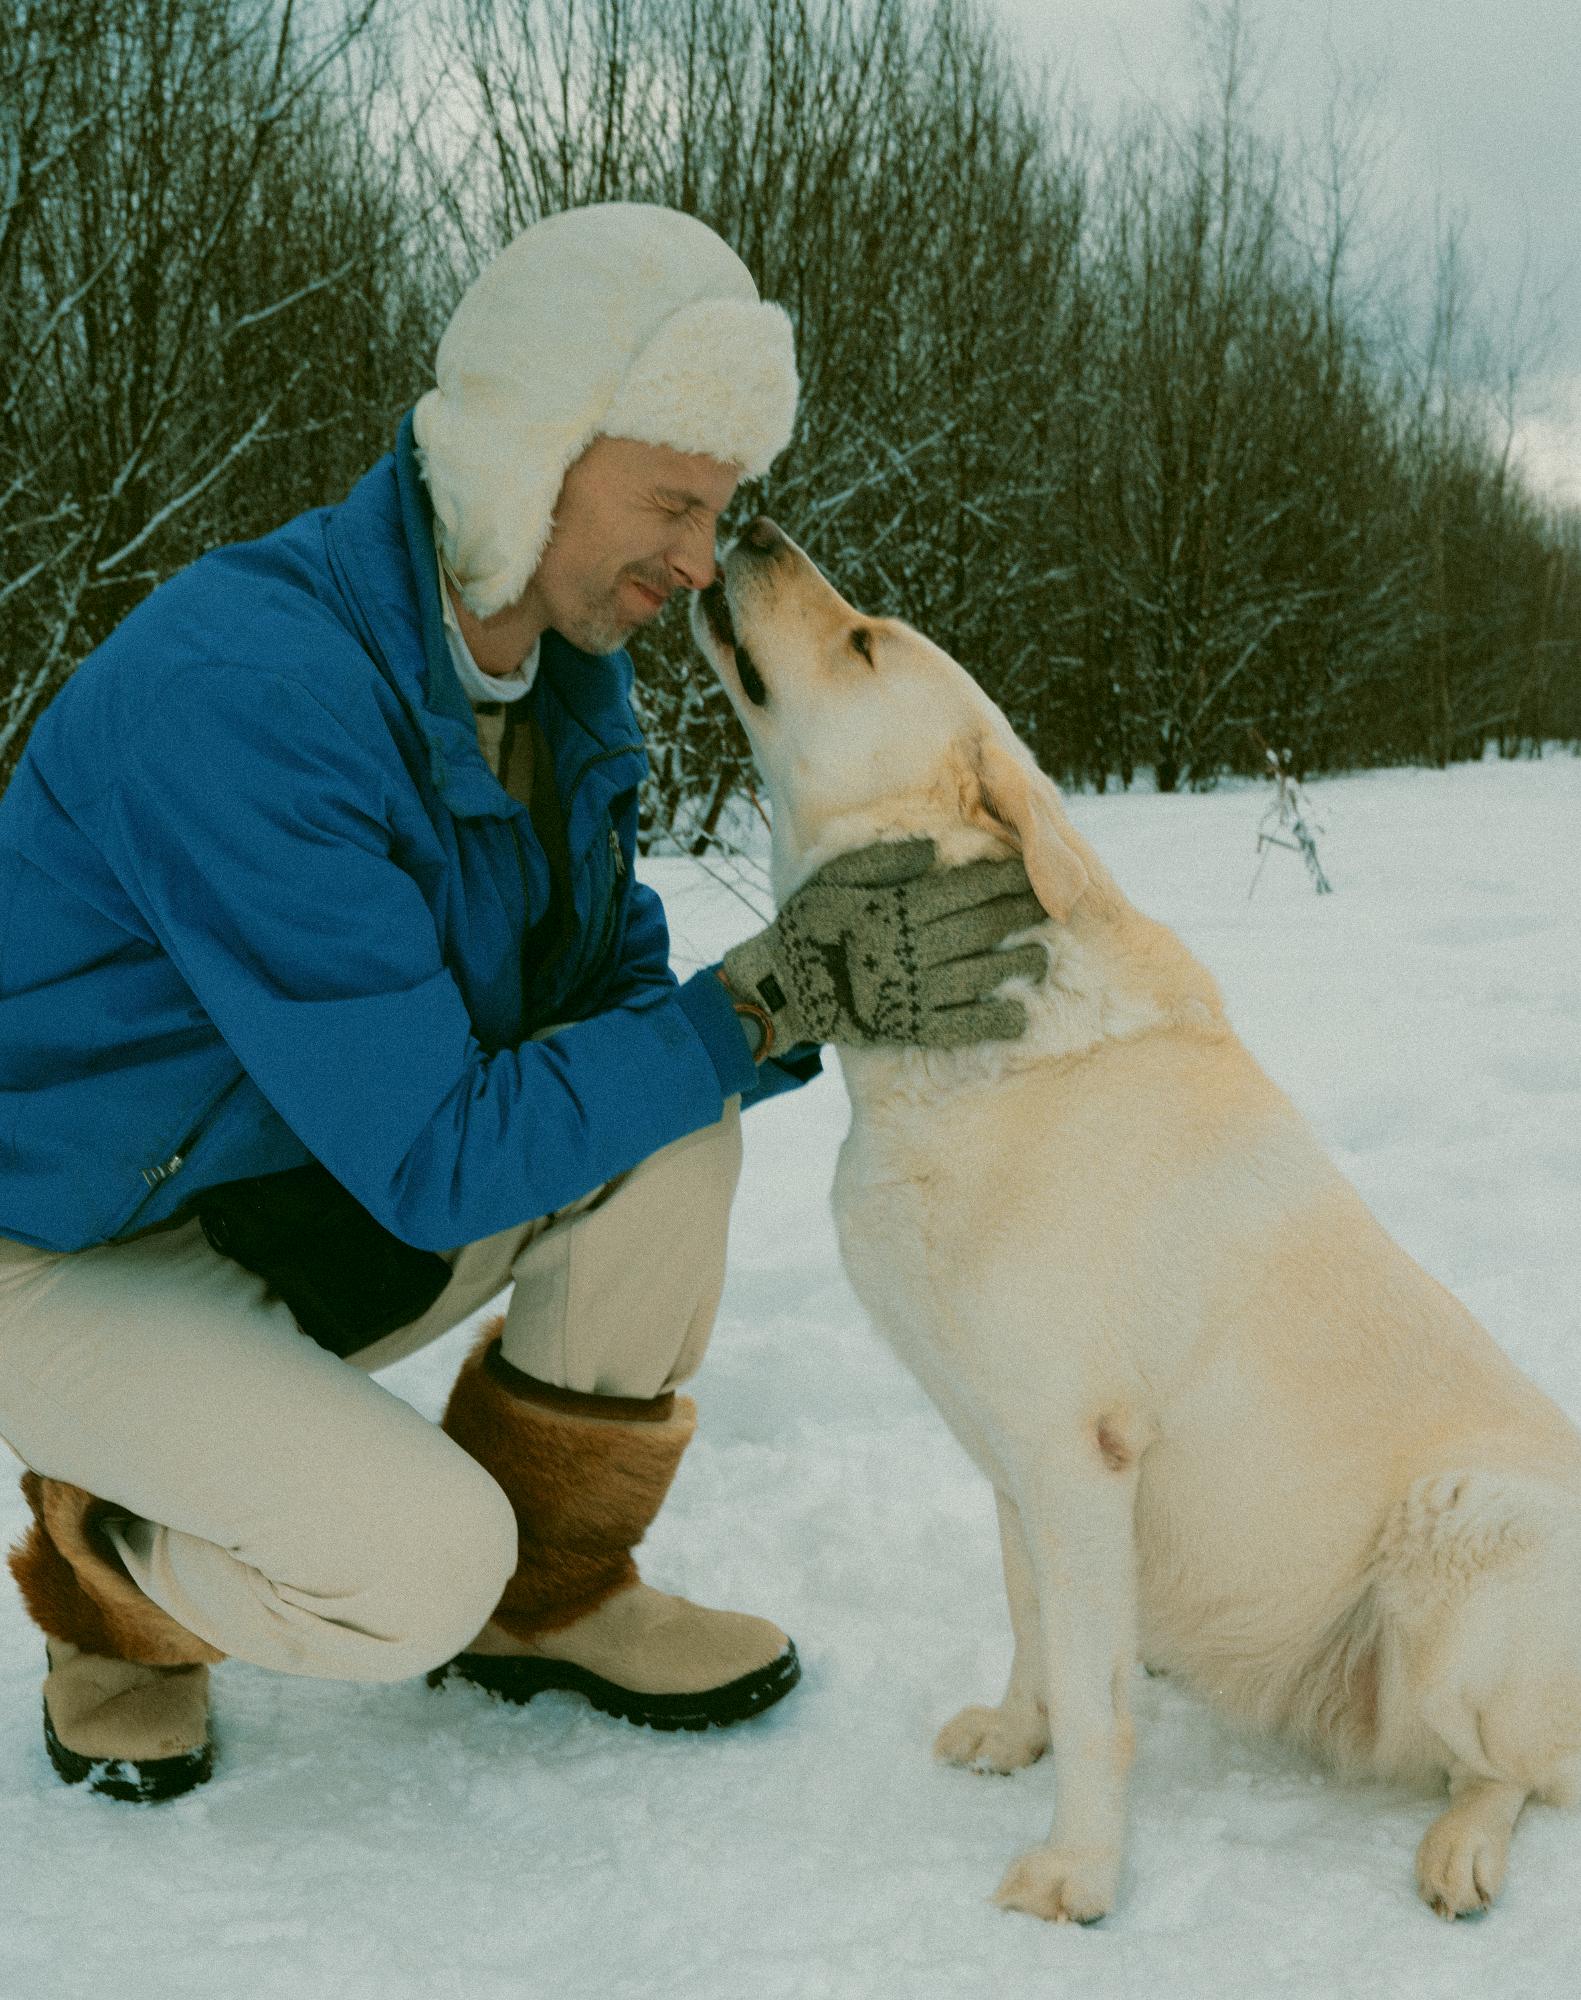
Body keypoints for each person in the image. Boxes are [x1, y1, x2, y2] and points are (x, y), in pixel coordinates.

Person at [0, 203, 1046, 1802]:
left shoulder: (558, 673)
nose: (700, 563)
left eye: (722, 509)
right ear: (529, 454)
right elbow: (438, 1155)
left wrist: (785, 996)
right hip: (60, 1240)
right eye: (676, 503)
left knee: (674, 1129)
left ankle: (549, 1600)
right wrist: (756, 1006)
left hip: (276, 1179)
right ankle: (108, 1581)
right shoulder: (248, 693)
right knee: (414, 1572)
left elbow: (603, 998)